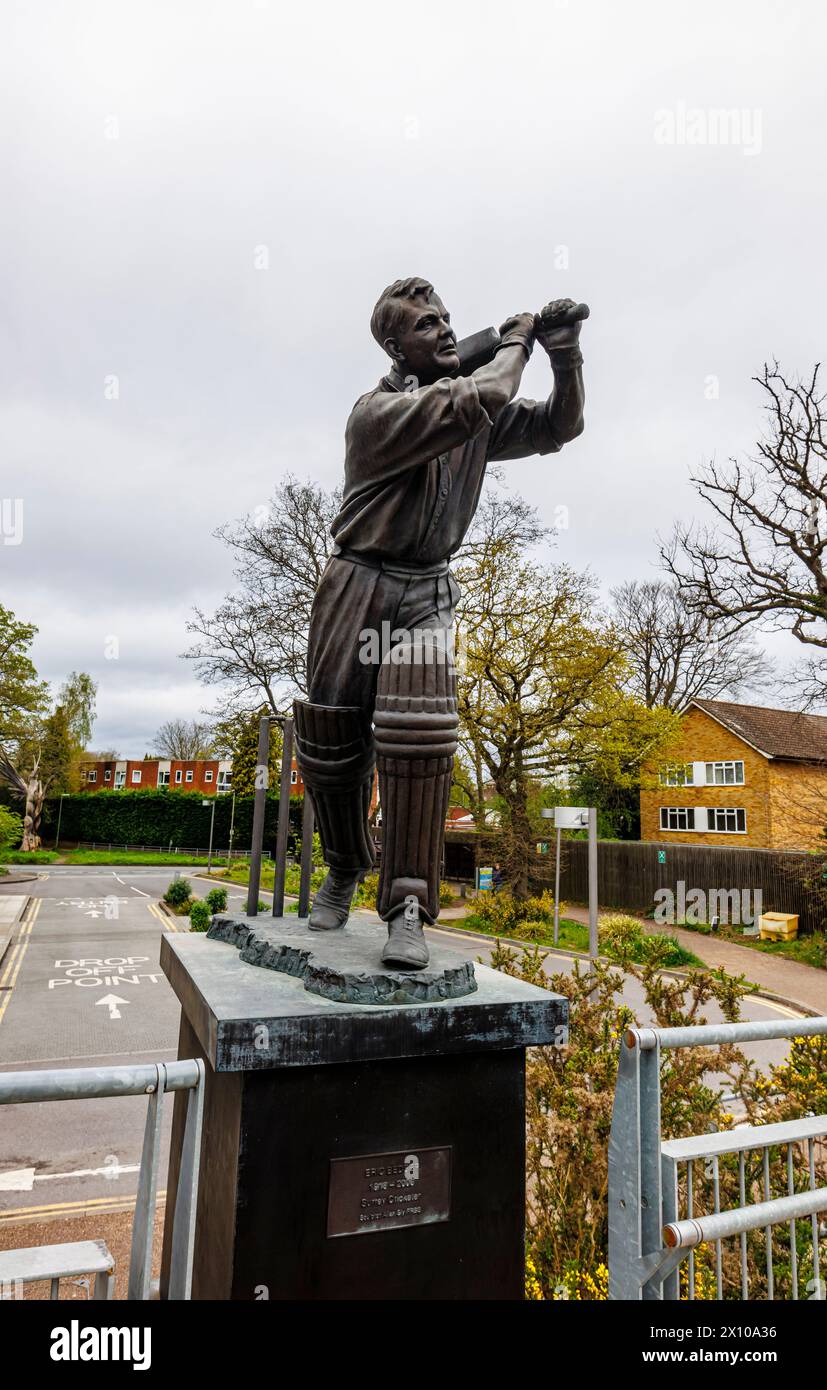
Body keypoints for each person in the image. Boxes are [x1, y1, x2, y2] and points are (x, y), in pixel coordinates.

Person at [294, 277, 586, 968]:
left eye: (449, 319)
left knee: (418, 738)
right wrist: (514, 337)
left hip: (425, 588)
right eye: (429, 325)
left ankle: (406, 907)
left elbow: (557, 426)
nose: (446, 330)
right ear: (396, 346)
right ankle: (343, 866)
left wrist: (565, 354)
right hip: (356, 582)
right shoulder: (377, 413)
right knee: (332, 736)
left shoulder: (466, 415)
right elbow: (481, 396)